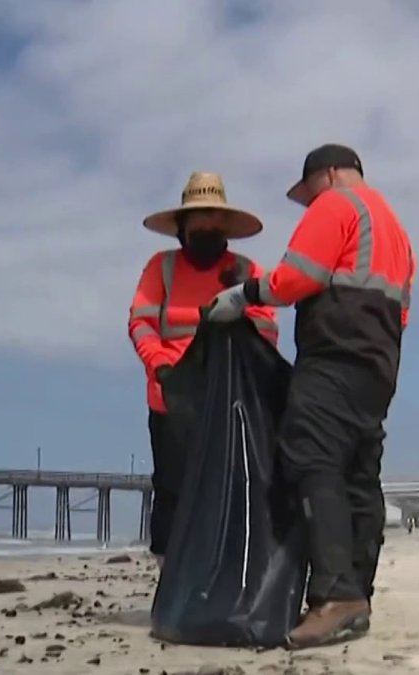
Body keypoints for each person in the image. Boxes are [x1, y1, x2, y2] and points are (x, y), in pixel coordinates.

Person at [205, 144, 415, 648]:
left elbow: (299, 276)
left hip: (334, 354)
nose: (307, 204)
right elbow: (401, 312)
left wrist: (247, 294)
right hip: (379, 365)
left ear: (328, 174)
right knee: (359, 474)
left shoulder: (338, 205)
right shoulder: (396, 229)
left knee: (311, 457)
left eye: (307, 193)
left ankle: (334, 596)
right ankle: (357, 596)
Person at [128, 171, 279, 568]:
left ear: (226, 226)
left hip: (228, 404)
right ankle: (171, 580)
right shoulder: (161, 268)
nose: (207, 226)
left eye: (214, 218)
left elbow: (267, 329)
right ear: (182, 227)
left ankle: (224, 576)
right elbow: (141, 322)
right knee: (172, 491)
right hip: (171, 401)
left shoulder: (246, 270)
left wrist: (241, 314)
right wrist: (159, 363)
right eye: (198, 219)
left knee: (228, 491)